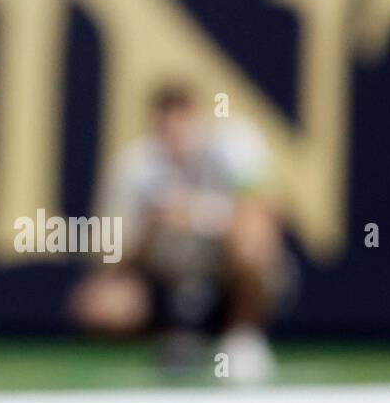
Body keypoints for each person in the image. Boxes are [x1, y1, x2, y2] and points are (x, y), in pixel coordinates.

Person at [68, 84, 290, 383]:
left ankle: (242, 336)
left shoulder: (234, 147)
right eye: (165, 124)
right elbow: (108, 258)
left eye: (182, 120)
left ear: (197, 118)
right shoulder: (134, 166)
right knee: (102, 304)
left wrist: (198, 214)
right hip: (165, 279)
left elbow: (267, 214)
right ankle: (175, 337)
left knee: (252, 240)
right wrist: (150, 228)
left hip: (223, 274)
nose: (175, 133)